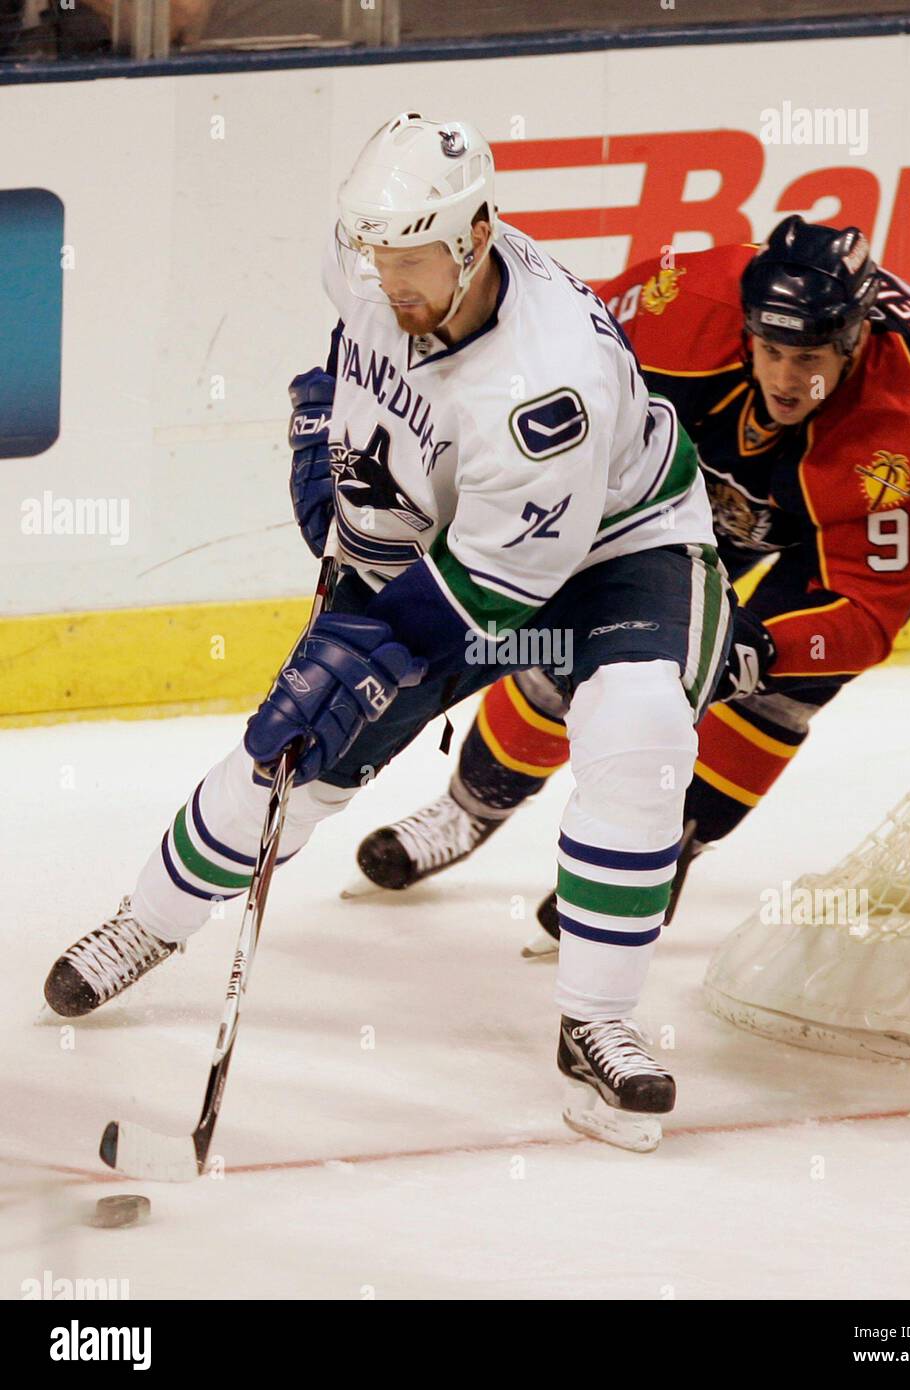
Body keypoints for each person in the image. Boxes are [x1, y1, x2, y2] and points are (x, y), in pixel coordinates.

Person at [43, 112, 732, 1153]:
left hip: (615, 550)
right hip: (461, 539)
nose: (386, 280)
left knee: (637, 730)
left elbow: (488, 595)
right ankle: (150, 918)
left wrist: (357, 656)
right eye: (374, 254)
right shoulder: (373, 261)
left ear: (476, 239)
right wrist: (326, 417)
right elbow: (351, 346)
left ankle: (599, 1018)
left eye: (411, 261)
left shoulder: (545, 392)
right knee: (293, 751)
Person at [352, 215, 910, 954]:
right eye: (772, 351)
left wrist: (748, 644)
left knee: (775, 685)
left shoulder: (901, 430)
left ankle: (670, 845)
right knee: (579, 630)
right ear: (746, 329)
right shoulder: (682, 304)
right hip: (720, 455)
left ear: (853, 344)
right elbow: (549, 353)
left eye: (812, 357)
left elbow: (862, 617)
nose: (789, 379)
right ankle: (467, 810)